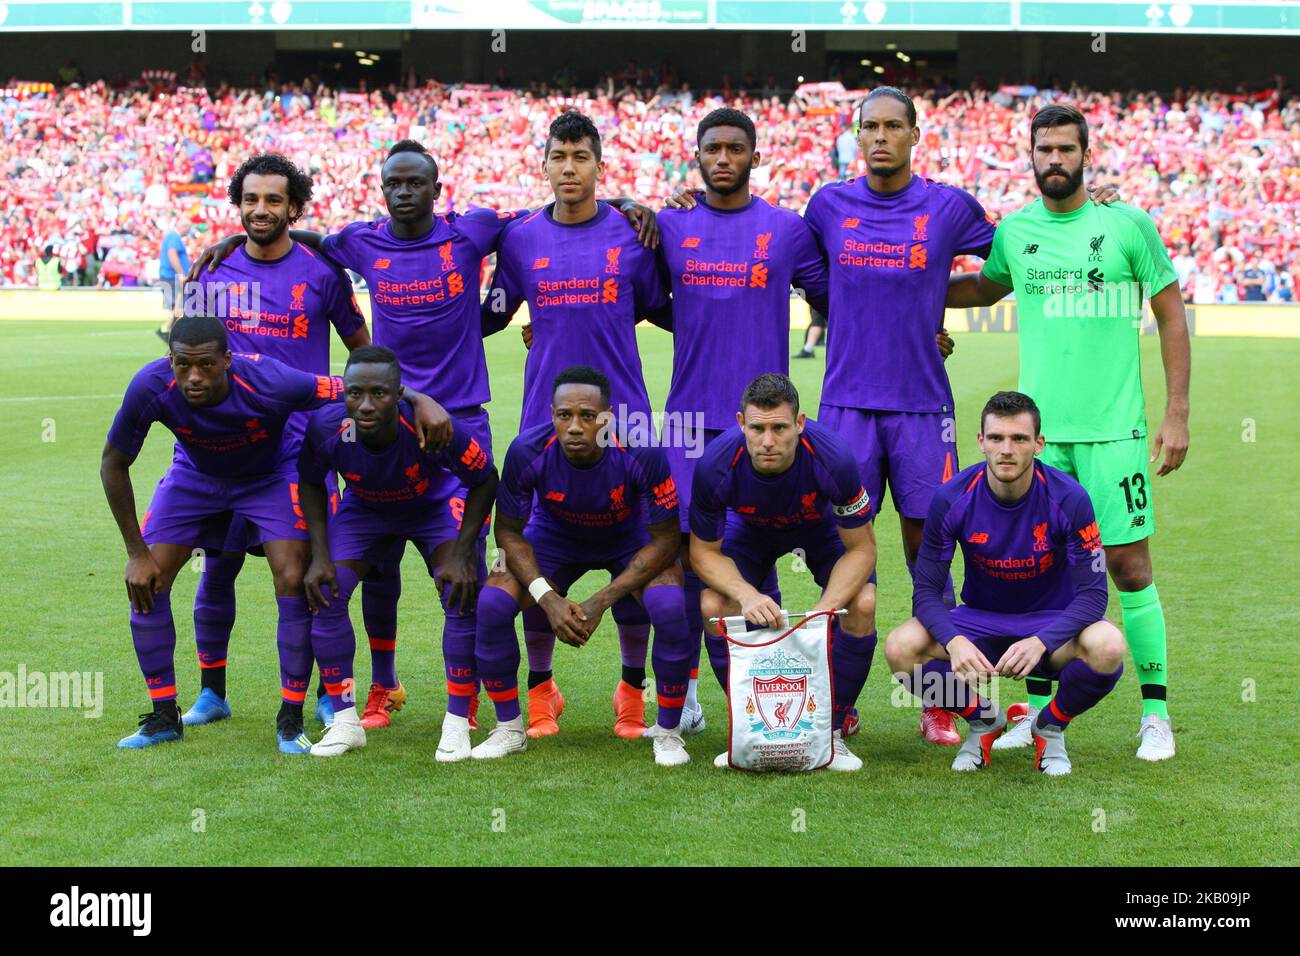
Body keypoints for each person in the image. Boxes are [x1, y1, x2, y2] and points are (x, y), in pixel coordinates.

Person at [803, 87, 1117, 747]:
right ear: (857, 135)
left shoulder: (948, 207)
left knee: (929, 550)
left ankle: (944, 703)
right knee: (847, 554)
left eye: (893, 126)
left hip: (923, 408)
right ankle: (840, 704)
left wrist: (1089, 210)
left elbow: (1018, 252)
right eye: (869, 126)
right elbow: (798, 267)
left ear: (915, 135)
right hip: (846, 405)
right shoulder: (827, 205)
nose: (880, 136)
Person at [947, 104, 1189, 761]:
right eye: (1044, 149)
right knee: (1044, 573)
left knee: (1129, 566)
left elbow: (1171, 315)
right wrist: (911, 290)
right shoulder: (1016, 231)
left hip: (1114, 431)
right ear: (1030, 156)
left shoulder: (1127, 224)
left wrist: (1176, 413)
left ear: (1086, 154)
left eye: (1065, 149)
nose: (1054, 159)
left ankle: (1156, 714)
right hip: (1040, 440)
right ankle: (1038, 715)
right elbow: (983, 288)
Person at [100, 315, 448, 752]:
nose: (194, 376)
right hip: (197, 475)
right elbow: (113, 462)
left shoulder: (269, 380)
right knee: (148, 580)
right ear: (169, 360)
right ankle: (163, 716)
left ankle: (289, 718)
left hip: (271, 475)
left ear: (227, 360)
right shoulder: (149, 386)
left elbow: (349, 388)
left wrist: (417, 398)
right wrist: (136, 552)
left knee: (292, 576)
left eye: (206, 365)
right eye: (183, 364)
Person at [481, 111, 671, 739]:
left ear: (599, 165)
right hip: (547, 430)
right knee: (537, 566)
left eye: (580, 156)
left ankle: (631, 691)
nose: (569, 168)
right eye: (559, 157)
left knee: (640, 568)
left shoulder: (631, 232)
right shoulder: (520, 240)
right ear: (544, 164)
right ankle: (541, 692)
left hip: (625, 429)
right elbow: (492, 314)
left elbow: (662, 307)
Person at [177, 152, 372, 731]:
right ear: (238, 204)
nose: (260, 209)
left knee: (309, 573)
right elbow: (191, 356)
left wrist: (355, 408)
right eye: (251, 199)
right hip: (225, 447)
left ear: (294, 207)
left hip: (299, 449)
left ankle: (325, 693)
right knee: (218, 567)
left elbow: (361, 348)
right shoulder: (211, 273)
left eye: (273, 200)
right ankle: (212, 692)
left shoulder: (322, 274)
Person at [885, 391, 1126, 776]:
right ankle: (983, 719)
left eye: (1019, 439)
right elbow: (926, 592)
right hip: (980, 620)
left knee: (1108, 646)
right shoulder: (952, 497)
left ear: (1038, 444)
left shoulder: (1069, 498)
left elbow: (1094, 596)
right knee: (901, 647)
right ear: (981, 441)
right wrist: (954, 640)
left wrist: (1042, 640)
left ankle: (1050, 726)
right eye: (996, 438)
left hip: (1050, 624)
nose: (1006, 450)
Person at [473, 366, 694, 767]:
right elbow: (507, 531)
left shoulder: (641, 450)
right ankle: (509, 728)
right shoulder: (527, 450)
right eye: (564, 415)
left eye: (587, 416)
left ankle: (667, 733)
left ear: (607, 418)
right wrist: (547, 597)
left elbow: (665, 540)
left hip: (628, 538)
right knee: (491, 604)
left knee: (669, 606)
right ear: (552, 414)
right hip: (554, 537)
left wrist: (599, 601)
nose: (575, 427)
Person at [298, 346, 499, 758]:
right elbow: (311, 482)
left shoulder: (431, 424)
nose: (365, 405)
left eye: (379, 394)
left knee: (458, 591)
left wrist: (463, 552)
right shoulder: (328, 425)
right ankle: (345, 721)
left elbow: (485, 479)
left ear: (398, 394)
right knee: (326, 591)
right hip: (366, 509)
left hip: (433, 505)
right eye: (355, 393)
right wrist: (319, 555)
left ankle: (457, 721)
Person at [689, 374, 877, 772]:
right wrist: (747, 595)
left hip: (817, 529)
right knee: (713, 605)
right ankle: (749, 726)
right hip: (750, 530)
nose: (768, 441)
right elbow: (703, 554)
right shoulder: (715, 464)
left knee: (862, 602)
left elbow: (862, 549)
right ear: (741, 423)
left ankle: (832, 730)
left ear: (800, 423)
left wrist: (823, 611)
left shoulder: (834, 458)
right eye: (757, 429)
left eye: (779, 428)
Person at [156, 218, 192, 340]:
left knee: (178, 307)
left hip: (171, 276)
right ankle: (165, 330)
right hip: (171, 277)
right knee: (179, 307)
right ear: (184, 227)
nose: (189, 231)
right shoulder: (174, 237)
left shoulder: (172, 237)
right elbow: (172, 254)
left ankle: (170, 332)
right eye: (188, 228)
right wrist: (180, 273)